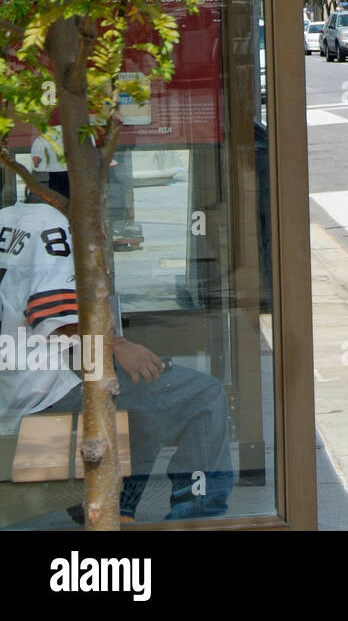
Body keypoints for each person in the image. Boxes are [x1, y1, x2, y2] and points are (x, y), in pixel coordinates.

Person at [0, 132, 233, 521]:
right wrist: (120, 347)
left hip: (14, 393)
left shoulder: (7, 218)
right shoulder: (57, 227)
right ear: (76, 178)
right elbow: (52, 314)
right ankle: (197, 518)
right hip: (42, 402)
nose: (104, 185)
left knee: (145, 395)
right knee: (201, 394)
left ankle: (115, 514)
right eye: (98, 176)